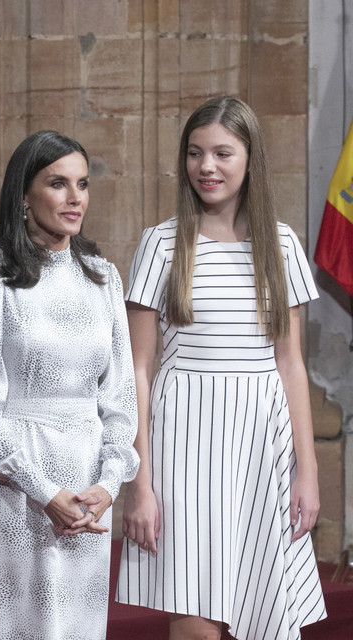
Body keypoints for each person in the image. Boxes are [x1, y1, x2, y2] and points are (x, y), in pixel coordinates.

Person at [116, 96, 327, 639]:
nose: (206, 167)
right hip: (184, 443)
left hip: (263, 440)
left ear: (250, 158)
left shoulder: (282, 245)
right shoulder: (161, 244)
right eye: (194, 153)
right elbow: (137, 369)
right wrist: (140, 482)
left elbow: (291, 364)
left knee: (267, 611)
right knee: (196, 616)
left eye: (221, 153)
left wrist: (308, 470)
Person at [0, 130, 139, 639]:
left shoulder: (104, 277)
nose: (75, 197)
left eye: (82, 184)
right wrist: (44, 491)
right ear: (23, 195)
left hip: (86, 494)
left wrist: (106, 485)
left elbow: (121, 397)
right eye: (58, 183)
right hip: (17, 487)